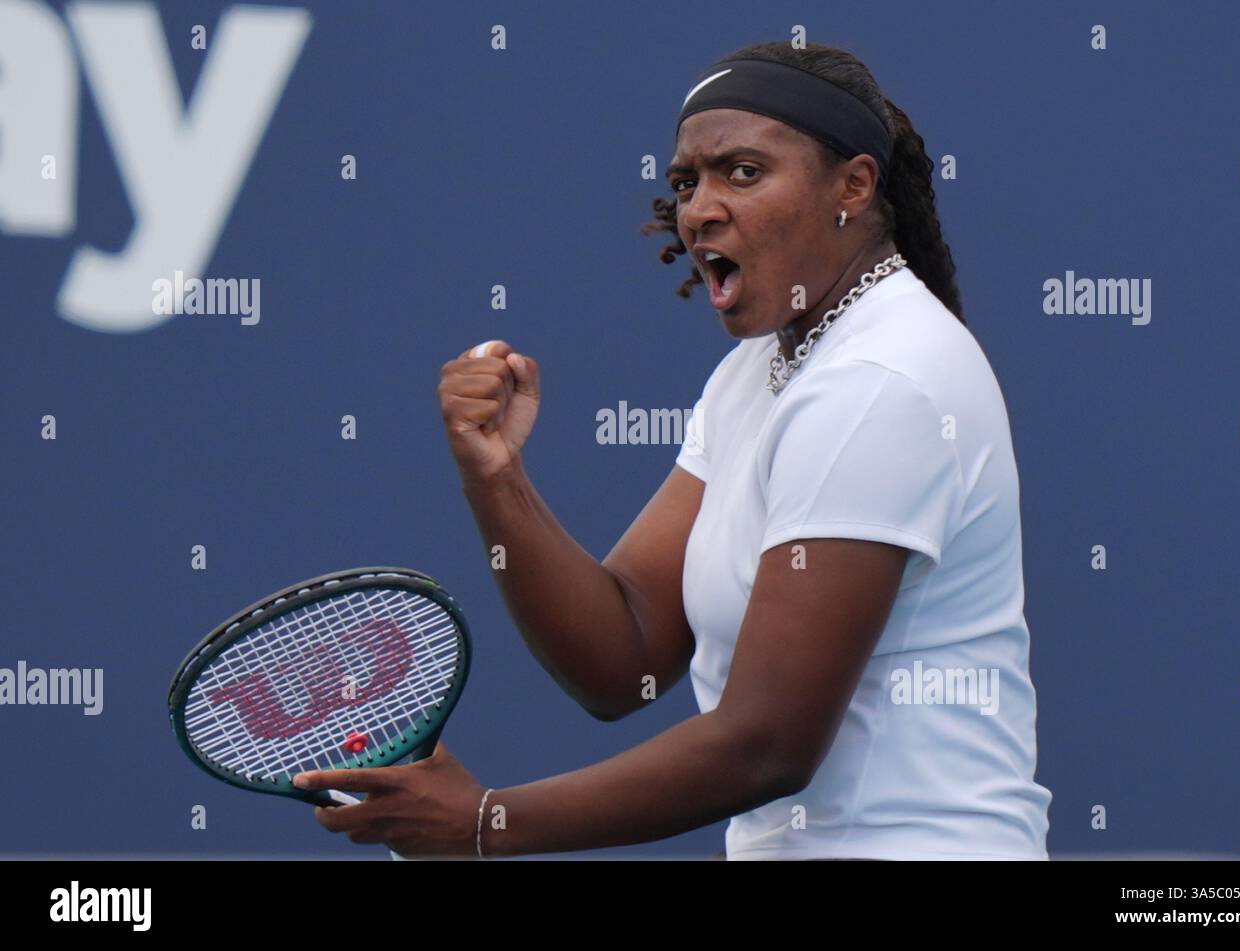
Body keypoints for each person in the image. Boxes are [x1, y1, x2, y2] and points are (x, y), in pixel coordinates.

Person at [294, 40, 1053, 860]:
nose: (698, 210)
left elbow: (768, 742)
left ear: (854, 186)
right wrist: (496, 476)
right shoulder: (756, 373)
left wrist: (487, 822)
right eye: (686, 183)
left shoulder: (879, 381)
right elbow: (626, 654)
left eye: (743, 172)